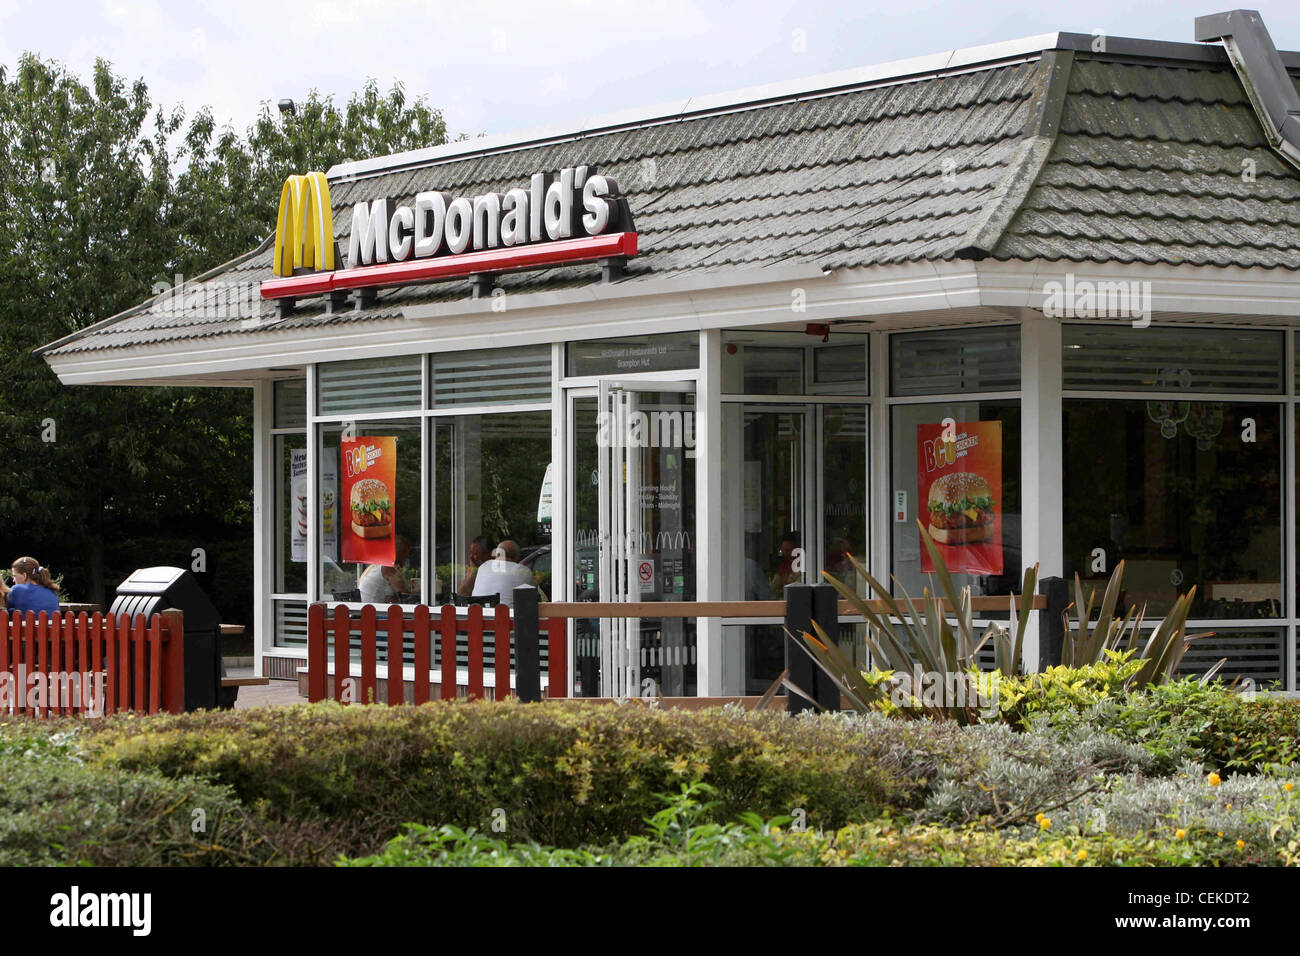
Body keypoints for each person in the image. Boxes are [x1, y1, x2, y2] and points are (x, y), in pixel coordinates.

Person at [471, 539, 535, 608]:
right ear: (517, 557)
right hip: (508, 617)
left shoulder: (483, 566)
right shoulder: (523, 571)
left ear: (497, 554)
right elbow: (530, 599)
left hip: (478, 615)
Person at [359, 536, 418, 604]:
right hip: (372, 611)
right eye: (406, 553)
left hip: (366, 610)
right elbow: (404, 596)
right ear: (401, 552)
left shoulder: (378, 564)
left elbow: (391, 597)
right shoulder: (388, 568)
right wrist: (419, 593)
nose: (407, 556)